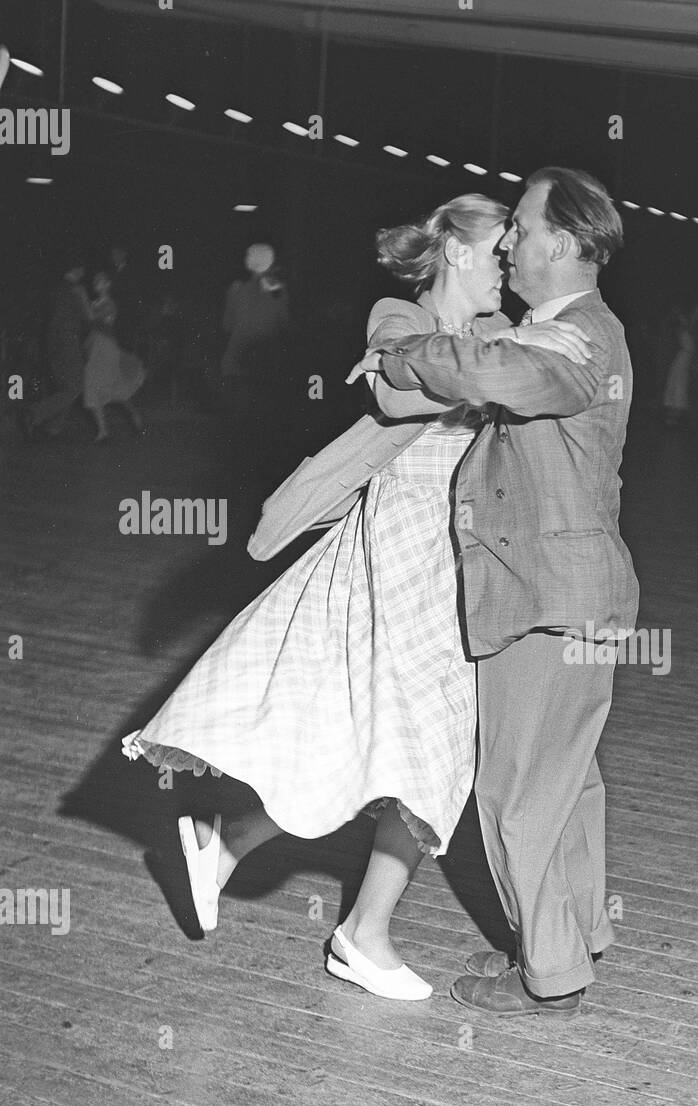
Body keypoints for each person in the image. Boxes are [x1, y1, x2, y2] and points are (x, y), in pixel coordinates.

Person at [123, 194, 590, 1002]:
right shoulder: (397, 317)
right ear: (457, 253)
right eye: (498, 251)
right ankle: (359, 932)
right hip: (399, 548)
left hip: (454, 559)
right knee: (425, 752)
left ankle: (240, 848)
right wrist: (501, 357)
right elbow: (402, 395)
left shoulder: (491, 338)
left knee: (384, 744)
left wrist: (520, 354)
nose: (509, 270)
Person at [359, 167, 636, 1018]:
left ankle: (547, 974)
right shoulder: (567, 328)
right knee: (567, 783)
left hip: (546, 595)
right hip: (572, 590)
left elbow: (498, 378)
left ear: (560, 242)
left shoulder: (575, 337)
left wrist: (403, 352)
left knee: (517, 788)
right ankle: (571, 935)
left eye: (520, 225)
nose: (509, 240)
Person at [220, 243, 291, 413]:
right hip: (266, 359)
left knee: (241, 412)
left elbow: (227, 325)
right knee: (264, 413)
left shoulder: (236, 289)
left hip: (238, 358)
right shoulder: (279, 290)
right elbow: (285, 326)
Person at [25, 263, 90, 438]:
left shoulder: (54, 289)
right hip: (68, 340)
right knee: (76, 387)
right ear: (78, 269)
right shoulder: (77, 290)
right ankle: (35, 412)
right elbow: (86, 320)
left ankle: (54, 427)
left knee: (65, 386)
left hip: (50, 342)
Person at [82, 270, 146, 443]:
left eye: (102, 281)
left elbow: (102, 323)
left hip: (107, 347)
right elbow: (91, 326)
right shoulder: (93, 303)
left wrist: (85, 307)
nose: (98, 284)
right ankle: (103, 431)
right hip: (96, 347)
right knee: (92, 385)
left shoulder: (109, 303)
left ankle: (134, 414)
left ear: (108, 284)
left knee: (115, 387)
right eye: (96, 281)